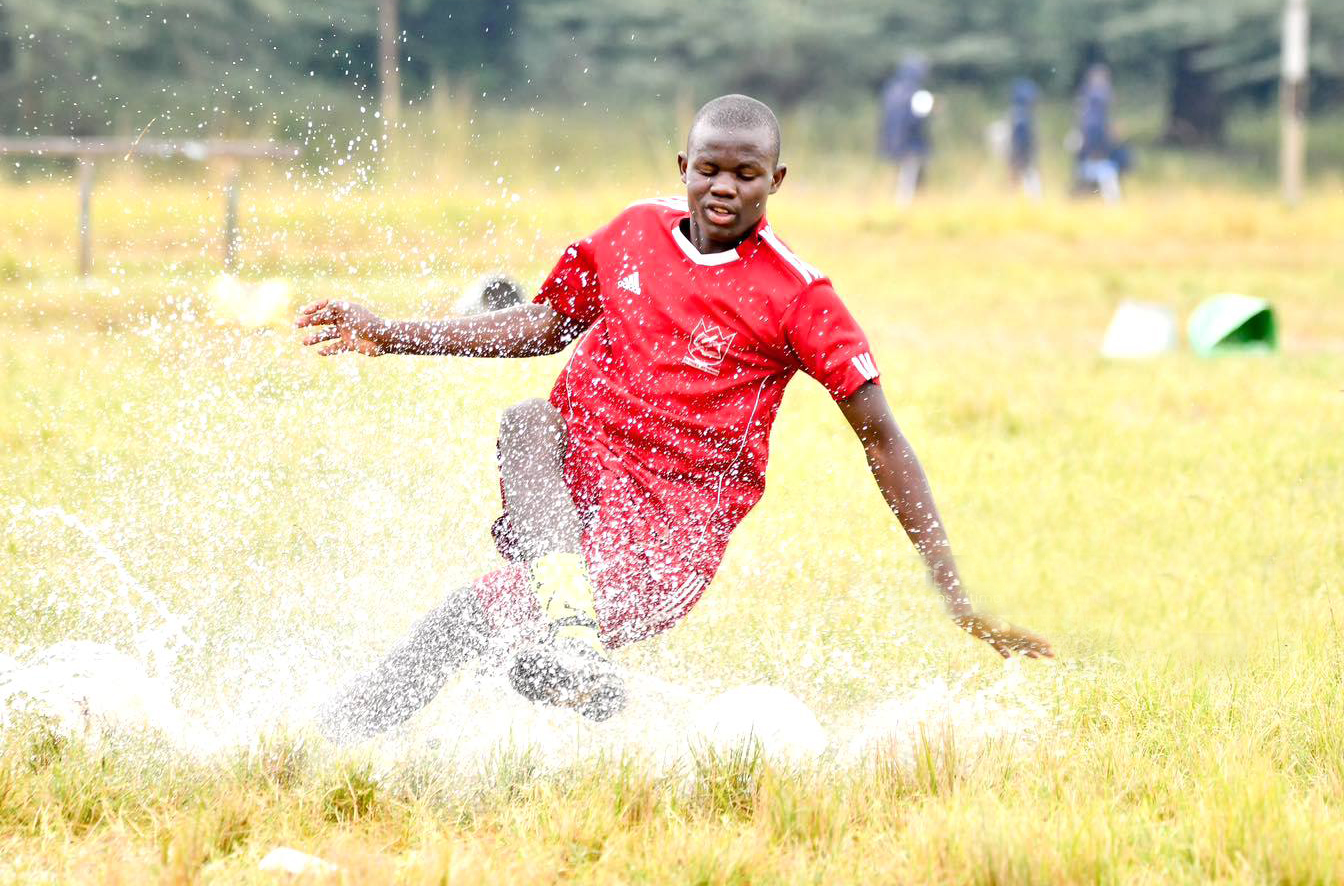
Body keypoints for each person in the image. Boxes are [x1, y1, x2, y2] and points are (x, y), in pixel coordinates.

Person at [297, 94, 1053, 743]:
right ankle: (542, 655)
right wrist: (392, 332)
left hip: (667, 536)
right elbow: (547, 324)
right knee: (526, 423)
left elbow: (883, 439)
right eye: (709, 169)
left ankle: (523, 668)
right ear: (681, 167)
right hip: (576, 499)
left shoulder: (798, 298)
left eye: (747, 174)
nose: (724, 188)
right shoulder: (631, 234)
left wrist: (958, 596)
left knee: (478, 619)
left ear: (776, 181)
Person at [878, 56, 934, 204]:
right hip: (911, 143)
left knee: (903, 176)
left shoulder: (892, 91)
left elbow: (885, 119)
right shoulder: (916, 93)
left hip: (891, 141)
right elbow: (918, 120)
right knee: (909, 179)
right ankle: (905, 208)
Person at [1073, 64, 1126, 201]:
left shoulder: (1087, 103)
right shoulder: (1096, 104)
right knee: (1104, 175)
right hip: (1097, 153)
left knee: (1086, 176)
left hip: (1091, 153)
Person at [1008, 77, 1042, 197]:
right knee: (1028, 185)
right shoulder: (1023, 116)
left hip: (1019, 156)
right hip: (1023, 157)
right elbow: (1023, 140)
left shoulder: (1016, 113)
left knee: (1017, 184)